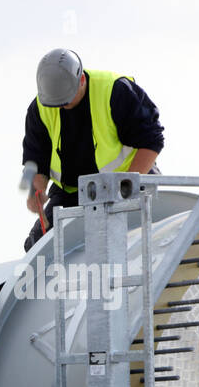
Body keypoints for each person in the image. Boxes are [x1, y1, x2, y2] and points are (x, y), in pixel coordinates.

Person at [22, 49, 164, 250]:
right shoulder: (40, 108)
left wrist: (125, 187)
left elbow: (152, 141)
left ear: (81, 80)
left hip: (130, 180)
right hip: (74, 192)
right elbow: (36, 161)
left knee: (156, 233)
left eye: (67, 100)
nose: (62, 107)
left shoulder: (115, 91)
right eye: (57, 103)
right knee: (38, 247)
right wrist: (36, 191)